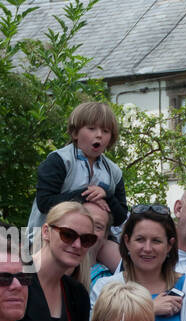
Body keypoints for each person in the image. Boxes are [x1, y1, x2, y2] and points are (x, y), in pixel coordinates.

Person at [14, 203, 121, 321]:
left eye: (86, 239)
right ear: (45, 232)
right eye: (68, 235)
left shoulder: (78, 294)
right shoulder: (15, 281)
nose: (77, 245)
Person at [93, 205, 186, 321]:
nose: (147, 248)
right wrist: (148, 309)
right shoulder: (105, 286)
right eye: (140, 239)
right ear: (127, 242)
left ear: (169, 245)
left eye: (156, 241)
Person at [30, 101, 127, 238]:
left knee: (118, 257)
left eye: (105, 131)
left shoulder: (114, 172)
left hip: (95, 239)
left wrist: (106, 195)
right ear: (75, 133)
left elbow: (120, 217)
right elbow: (45, 203)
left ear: (111, 138)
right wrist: (85, 195)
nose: (99, 135)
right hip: (49, 236)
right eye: (92, 128)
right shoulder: (59, 161)